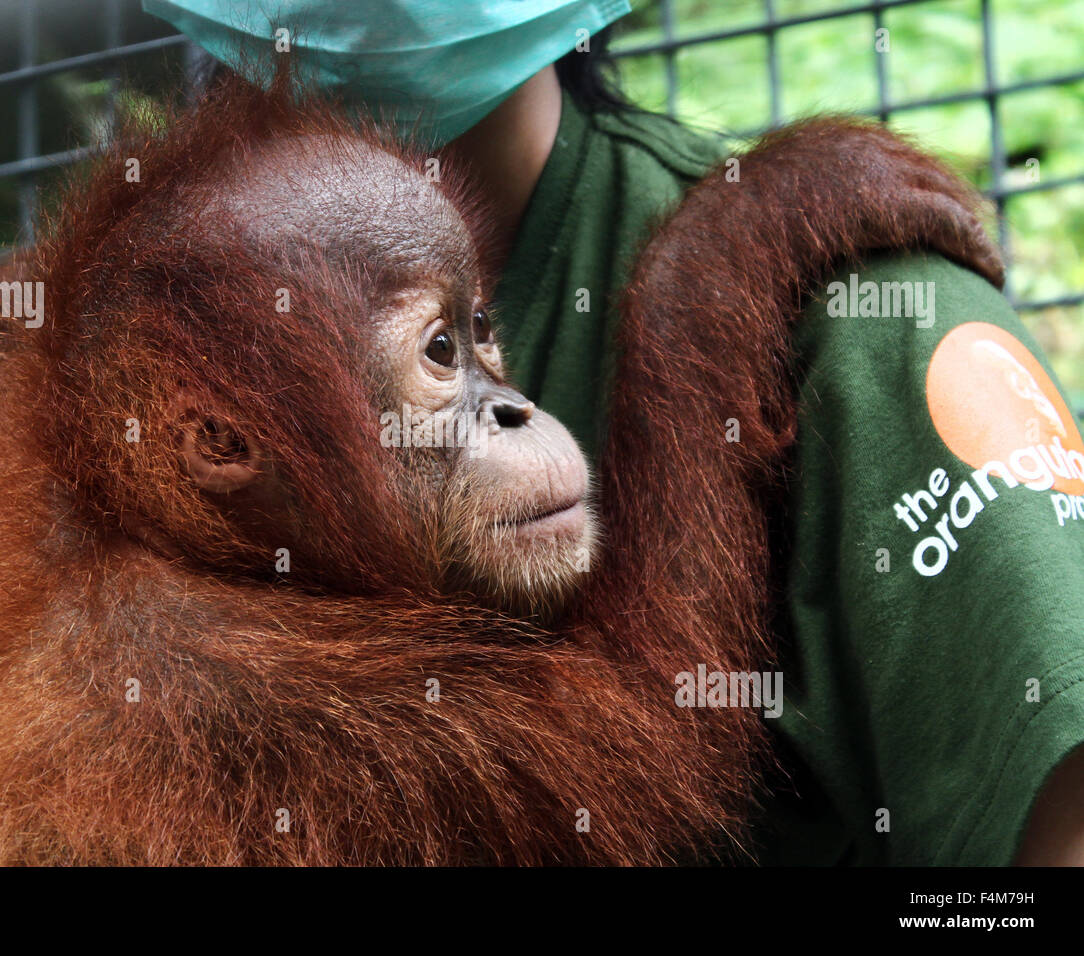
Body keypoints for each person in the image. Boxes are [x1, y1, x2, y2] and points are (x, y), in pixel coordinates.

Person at [145, 0, 1084, 866]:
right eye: (439, 350)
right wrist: (701, 303)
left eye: (482, 335)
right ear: (220, 442)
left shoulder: (858, 326)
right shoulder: (130, 465)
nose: (515, 407)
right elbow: (610, 759)